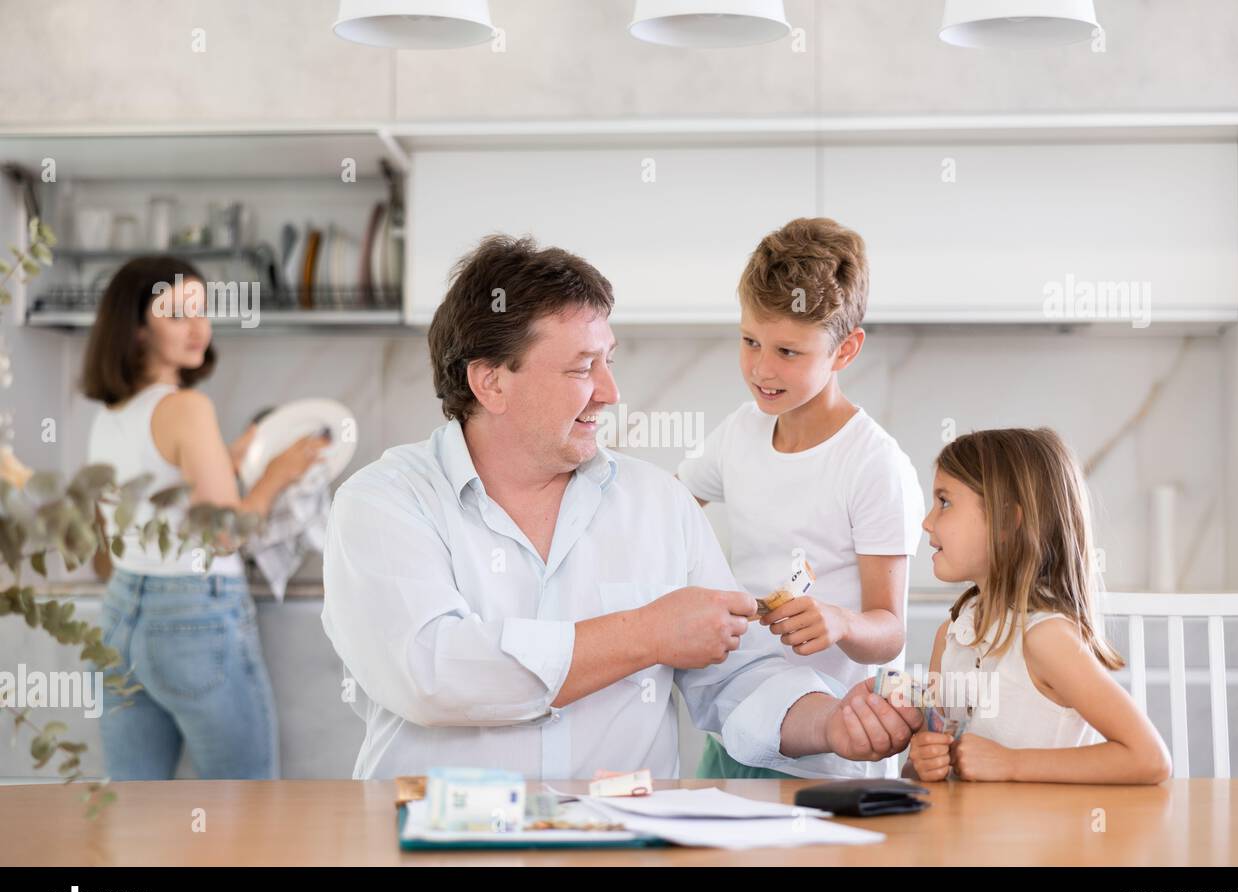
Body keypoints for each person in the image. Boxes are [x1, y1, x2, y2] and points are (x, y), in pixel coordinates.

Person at [321, 235, 922, 780]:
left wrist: (830, 724)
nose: (611, 392)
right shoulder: (383, 505)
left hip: (620, 846)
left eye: (610, 361)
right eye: (584, 368)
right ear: (491, 383)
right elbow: (432, 675)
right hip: (437, 848)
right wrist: (646, 634)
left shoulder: (656, 503)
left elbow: (739, 678)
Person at [677, 217, 925, 778]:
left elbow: (889, 634)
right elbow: (668, 510)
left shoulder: (872, 464)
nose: (762, 368)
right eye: (749, 341)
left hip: (831, 753)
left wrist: (840, 621)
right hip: (739, 722)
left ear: (845, 350)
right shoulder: (740, 432)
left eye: (789, 351)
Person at [82, 256, 327, 780]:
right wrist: (275, 475)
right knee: (247, 809)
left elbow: (160, 498)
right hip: (193, 616)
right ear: (138, 327)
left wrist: (227, 462)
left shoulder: (109, 415)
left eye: (201, 310)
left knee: (135, 811)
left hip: (122, 614)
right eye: (177, 314)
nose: (198, 328)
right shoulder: (186, 407)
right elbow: (222, 534)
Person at [905, 428, 1171, 784]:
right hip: (972, 836)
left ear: (1006, 522)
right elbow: (928, 768)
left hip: (1047, 838)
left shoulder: (1046, 640)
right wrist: (923, 763)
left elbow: (1149, 758)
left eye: (945, 502)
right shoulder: (950, 637)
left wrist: (1012, 764)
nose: (926, 521)